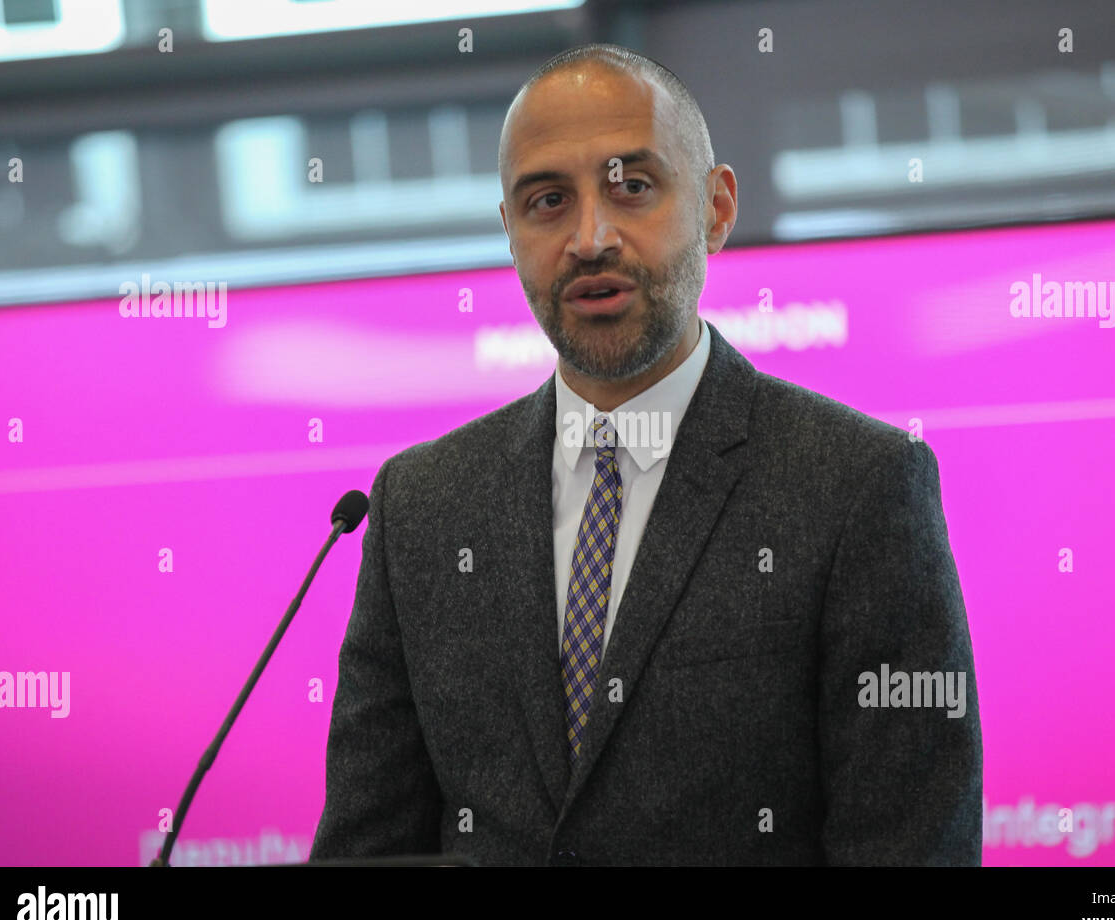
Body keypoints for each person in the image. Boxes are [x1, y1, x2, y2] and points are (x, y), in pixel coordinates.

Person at [310, 43, 982, 866]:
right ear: (511, 233)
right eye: (548, 200)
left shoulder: (859, 487)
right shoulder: (420, 504)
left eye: (632, 187)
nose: (590, 238)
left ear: (716, 207)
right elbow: (366, 846)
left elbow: (910, 849)